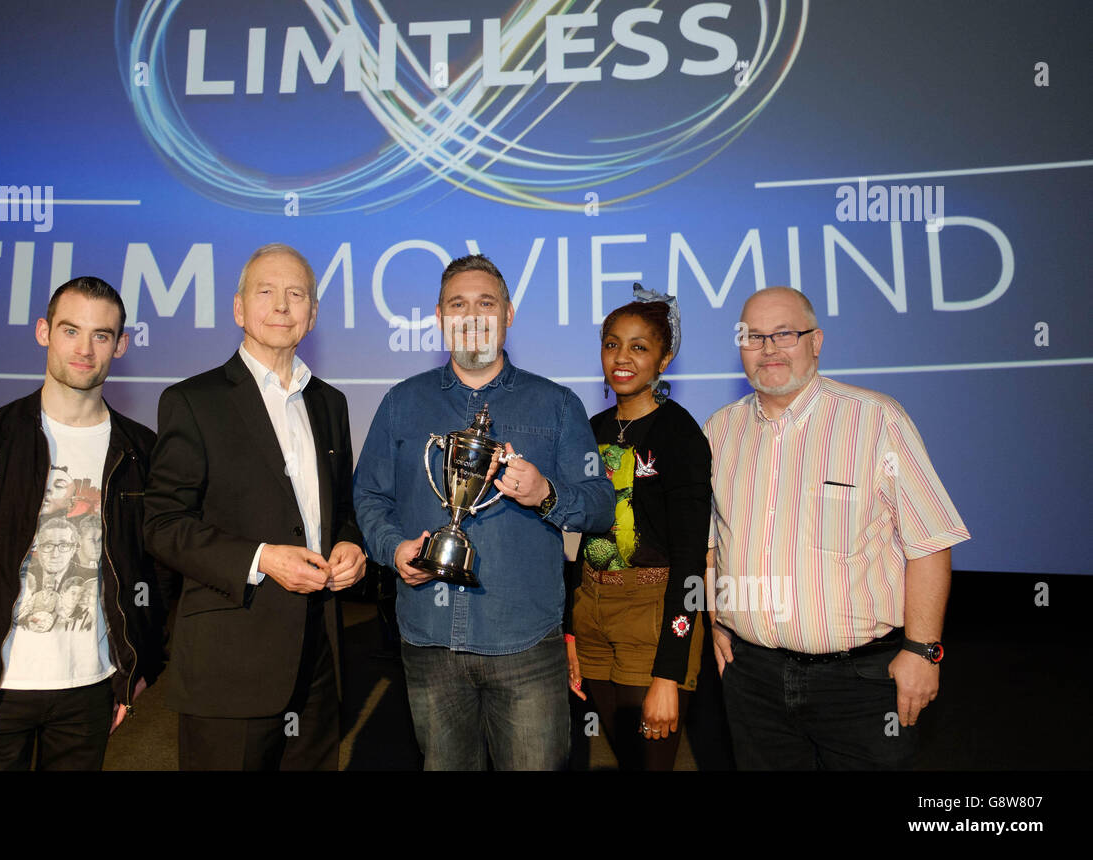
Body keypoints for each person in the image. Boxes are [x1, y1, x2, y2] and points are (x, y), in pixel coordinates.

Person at [353, 254, 614, 770]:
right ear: (440, 317)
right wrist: (394, 548)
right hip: (429, 641)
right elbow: (369, 497)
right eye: (458, 304)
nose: (472, 315)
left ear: (509, 314)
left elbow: (601, 507)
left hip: (524, 644)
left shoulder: (556, 405)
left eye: (486, 303)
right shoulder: (401, 404)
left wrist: (546, 492)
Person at [704, 286, 969, 769]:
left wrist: (924, 651)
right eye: (753, 337)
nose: (768, 350)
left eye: (784, 334)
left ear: (816, 341)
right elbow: (712, 543)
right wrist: (716, 620)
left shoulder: (876, 419)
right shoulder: (719, 430)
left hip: (863, 682)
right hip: (753, 679)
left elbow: (929, 542)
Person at [0, 276, 166, 770]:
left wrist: (141, 664)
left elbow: (158, 571)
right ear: (43, 332)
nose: (85, 349)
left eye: (101, 335)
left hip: (91, 688)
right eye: (71, 330)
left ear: (121, 344)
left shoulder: (141, 449)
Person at [143, 243, 365, 771]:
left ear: (312, 315)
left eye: (296, 294)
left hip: (319, 657)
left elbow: (342, 510)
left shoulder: (331, 403)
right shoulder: (193, 401)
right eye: (266, 292)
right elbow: (163, 525)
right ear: (239, 309)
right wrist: (263, 558)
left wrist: (351, 543)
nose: (282, 305)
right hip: (230, 662)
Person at [565, 288, 710, 770]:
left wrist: (669, 674)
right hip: (592, 610)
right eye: (611, 344)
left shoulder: (681, 434)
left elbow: (691, 561)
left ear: (664, 359)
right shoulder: (591, 429)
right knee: (626, 758)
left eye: (638, 347)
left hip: (652, 616)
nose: (621, 358)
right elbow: (584, 535)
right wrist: (571, 629)